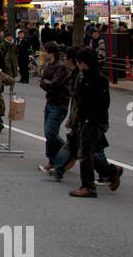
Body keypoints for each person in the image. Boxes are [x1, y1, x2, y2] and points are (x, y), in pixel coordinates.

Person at [68, 47, 122, 198]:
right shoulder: (83, 75)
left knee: (85, 153)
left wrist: (89, 119)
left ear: (84, 62)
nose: (78, 65)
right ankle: (112, 171)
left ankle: (88, 186)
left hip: (93, 121)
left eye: (79, 62)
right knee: (85, 151)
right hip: (83, 118)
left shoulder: (98, 78)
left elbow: (103, 103)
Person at [37, 42, 72, 177]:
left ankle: (67, 152)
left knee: (51, 132)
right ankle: (53, 159)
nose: (43, 53)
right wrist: (46, 83)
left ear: (51, 53)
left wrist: (46, 83)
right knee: (48, 133)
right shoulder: (47, 65)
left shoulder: (61, 67)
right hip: (50, 101)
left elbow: (54, 84)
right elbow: (43, 82)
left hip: (59, 102)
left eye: (44, 51)